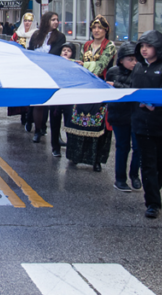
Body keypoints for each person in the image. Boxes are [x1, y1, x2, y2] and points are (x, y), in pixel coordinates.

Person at [130, 30, 162, 219]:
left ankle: (154, 191)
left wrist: (156, 106)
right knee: (148, 163)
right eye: (142, 46)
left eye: (148, 46)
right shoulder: (138, 68)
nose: (144, 50)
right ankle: (152, 202)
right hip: (142, 123)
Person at [67, 16, 117, 169]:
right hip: (85, 87)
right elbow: (82, 63)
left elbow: (102, 65)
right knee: (78, 120)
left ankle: (96, 160)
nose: (96, 30)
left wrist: (84, 65)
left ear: (106, 30)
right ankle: (76, 155)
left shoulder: (110, 46)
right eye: (94, 28)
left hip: (100, 87)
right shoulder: (86, 45)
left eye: (100, 28)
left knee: (98, 124)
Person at [26, 12, 67, 142]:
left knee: (54, 106)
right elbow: (30, 50)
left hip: (52, 73)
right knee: (38, 104)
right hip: (37, 73)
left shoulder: (60, 37)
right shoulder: (36, 35)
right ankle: (38, 130)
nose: (56, 22)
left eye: (57, 20)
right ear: (46, 21)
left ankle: (56, 135)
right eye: (53, 19)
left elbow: (54, 53)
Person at [107, 42, 141, 192]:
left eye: (136, 59)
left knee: (138, 147)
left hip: (136, 114)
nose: (134, 63)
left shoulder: (141, 71)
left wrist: (117, 85)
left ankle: (134, 174)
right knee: (122, 147)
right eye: (131, 59)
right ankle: (120, 179)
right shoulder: (113, 71)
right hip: (119, 114)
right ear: (121, 59)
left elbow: (136, 90)